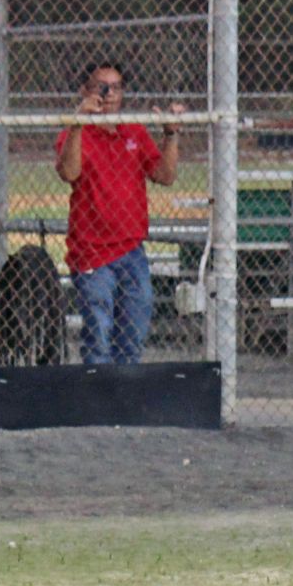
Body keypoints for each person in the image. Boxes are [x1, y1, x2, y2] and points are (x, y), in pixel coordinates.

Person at [54, 60, 185, 366]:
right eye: (101, 87)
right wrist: (78, 122)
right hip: (92, 252)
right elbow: (69, 172)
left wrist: (170, 135)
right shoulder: (77, 134)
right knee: (99, 335)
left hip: (130, 249)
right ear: (86, 91)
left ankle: (124, 402)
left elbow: (164, 175)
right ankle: (97, 405)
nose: (109, 94)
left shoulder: (134, 132)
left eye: (115, 87)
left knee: (132, 334)